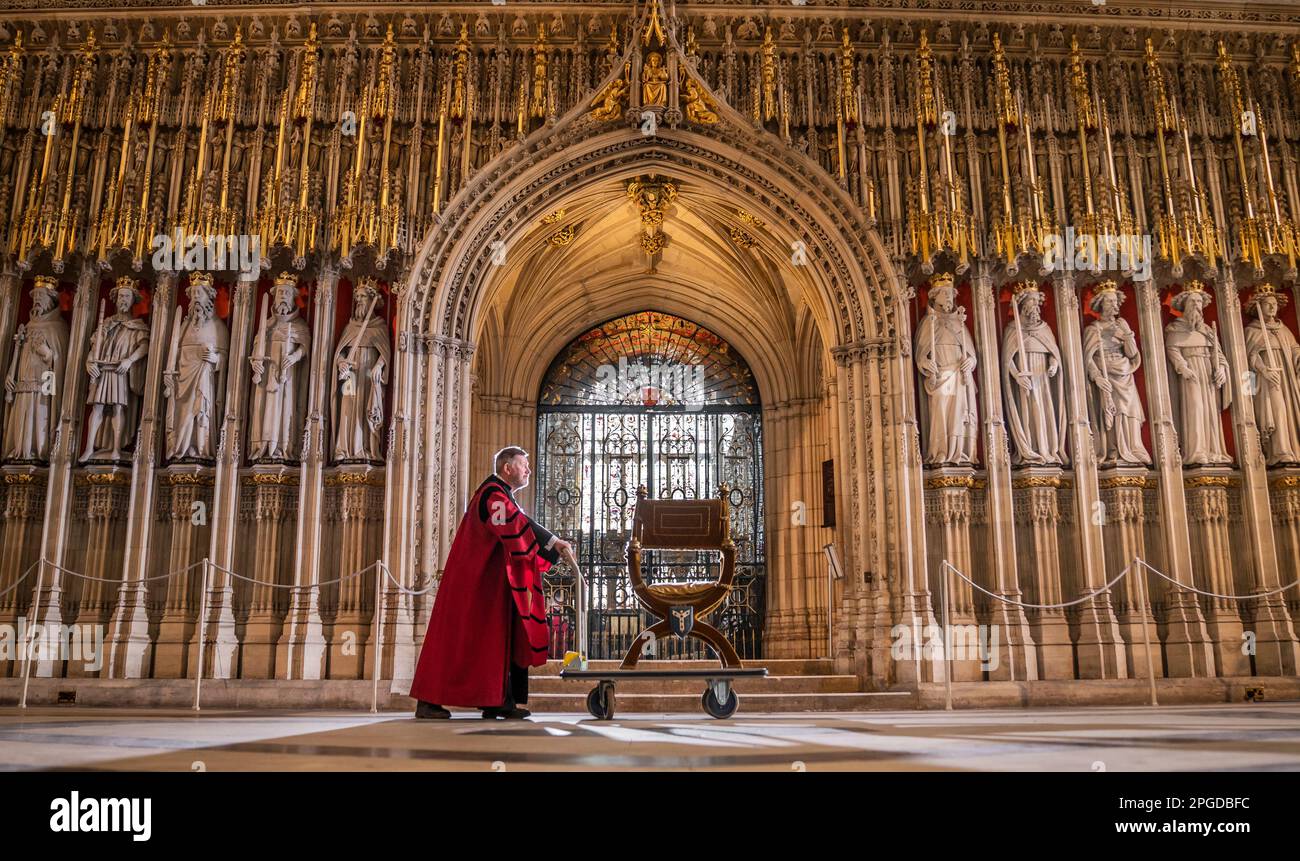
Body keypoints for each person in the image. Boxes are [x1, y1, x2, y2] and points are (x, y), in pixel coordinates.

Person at [410, 446, 573, 720]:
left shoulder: (500, 496)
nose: (528, 471)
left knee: (493, 642)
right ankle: (428, 701)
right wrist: (553, 544)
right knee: (457, 640)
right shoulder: (492, 494)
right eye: (524, 465)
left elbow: (519, 521)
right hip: (476, 583)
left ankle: (497, 700)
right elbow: (515, 527)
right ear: (507, 468)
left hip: (490, 583)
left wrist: (553, 542)